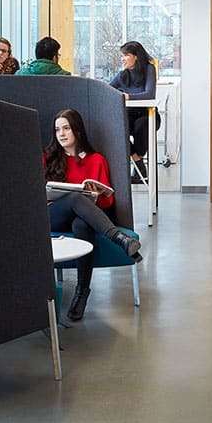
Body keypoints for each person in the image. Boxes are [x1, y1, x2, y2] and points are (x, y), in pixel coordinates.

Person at [44, 108, 142, 322]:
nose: (61, 134)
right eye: (57, 130)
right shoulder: (47, 157)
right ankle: (119, 238)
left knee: (82, 225)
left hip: (83, 218)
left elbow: (108, 201)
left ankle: (82, 293)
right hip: (53, 216)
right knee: (74, 198)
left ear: (77, 131)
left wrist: (97, 195)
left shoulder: (96, 160)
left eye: (66, 128)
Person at [108, 41, 157, 176]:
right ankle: (138, 161)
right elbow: (107, 91)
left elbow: (149, 94)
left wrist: (128, 96)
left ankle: (139, 165)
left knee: (141, 126)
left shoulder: (149, 69)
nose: (122, 59)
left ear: (136, 56)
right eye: (122, 56)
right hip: (128, 114)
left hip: (147, 114)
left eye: (126, 55)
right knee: (116, 129)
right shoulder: (122, 74)